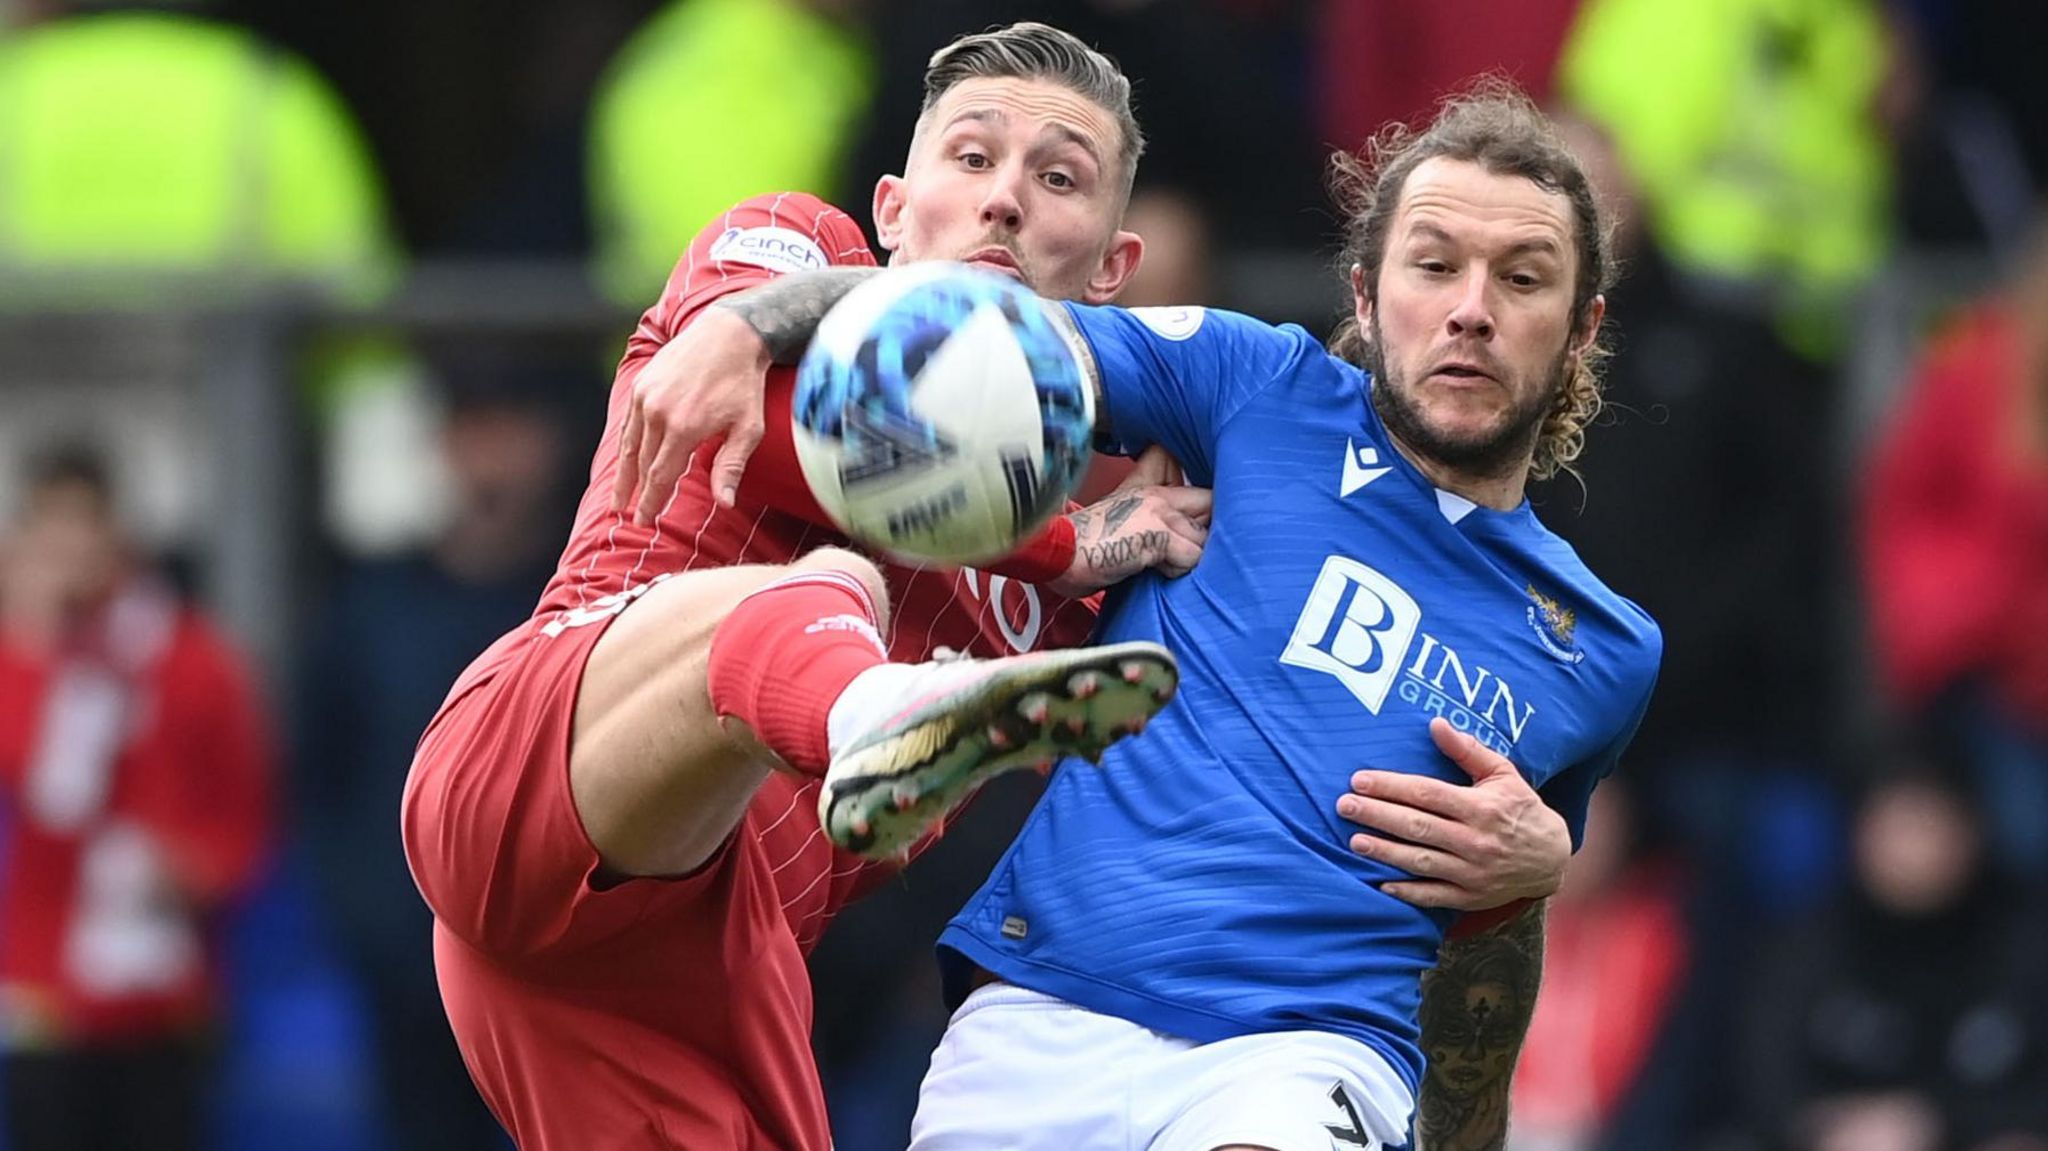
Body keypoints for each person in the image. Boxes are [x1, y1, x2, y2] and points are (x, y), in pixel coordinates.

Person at [406, 24, 1574, 1150]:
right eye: (969, 158)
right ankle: (872, 712)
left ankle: (884, 717)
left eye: (1057, 177)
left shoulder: (1135, 510)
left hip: (699, 956)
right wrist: (1063, 545)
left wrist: (1519, 877)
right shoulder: (786, 249)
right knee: (830, 580)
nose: (1003, 197)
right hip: (538, 758)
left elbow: (1326, 710)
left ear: (1116, 271)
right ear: (890, 208)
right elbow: (792, 433)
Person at [0, 443, 275, 1151]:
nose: (67, 552)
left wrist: (195, 872)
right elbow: (33, 786)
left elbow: (245, 818)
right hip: (44, 998)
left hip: (164, 999)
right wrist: (36, 649)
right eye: (48, 530)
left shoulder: (194, 660)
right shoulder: (16, 659)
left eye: (82, 526)